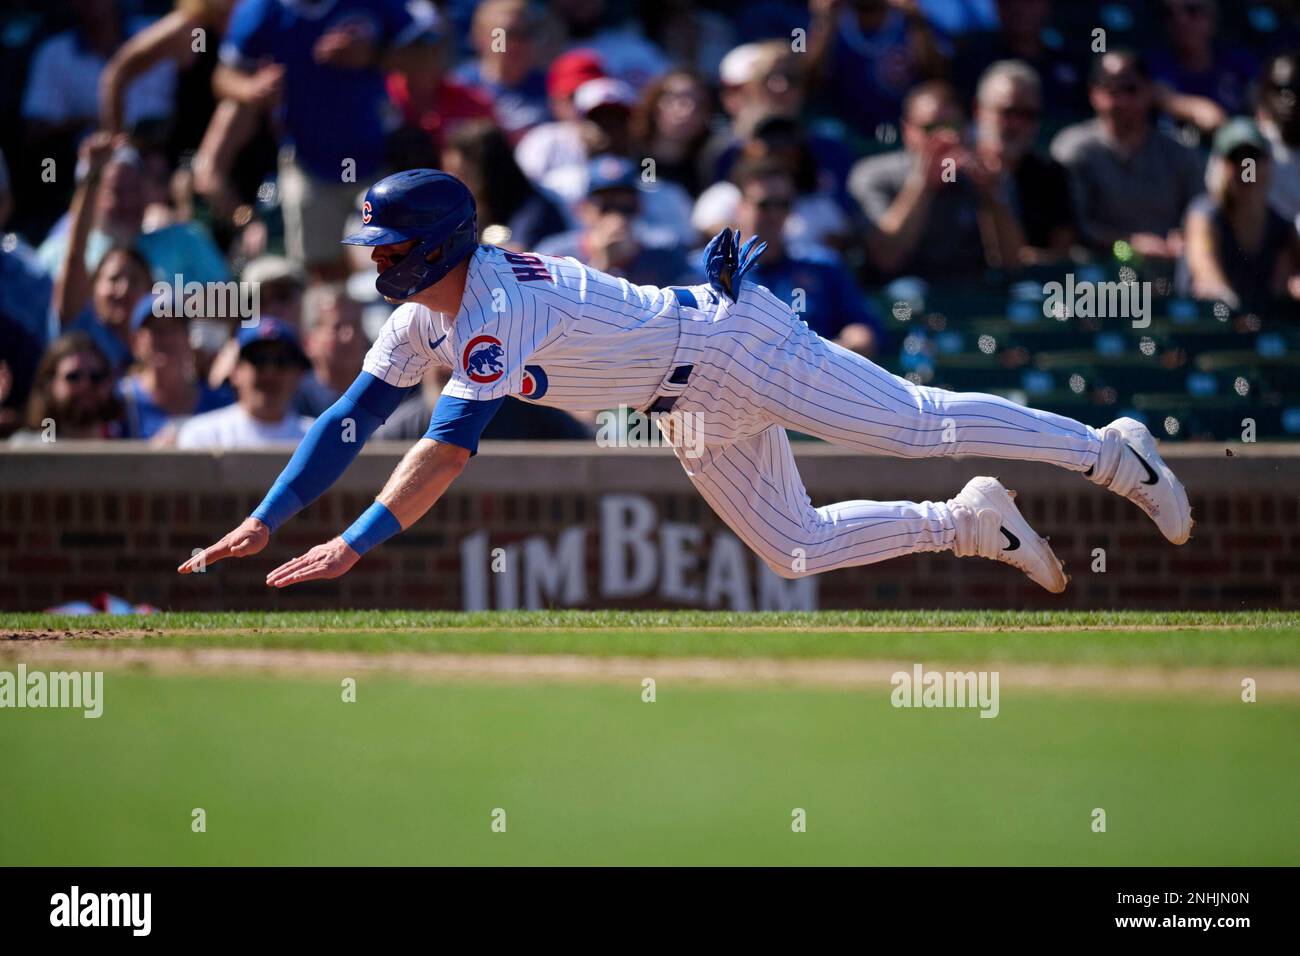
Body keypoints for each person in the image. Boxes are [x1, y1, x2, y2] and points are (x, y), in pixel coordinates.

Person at [181, 169, 1193, 595]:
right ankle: (968, 522)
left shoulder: (492, 310)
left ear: (436, 242)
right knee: (793, 549)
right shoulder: (423, 313)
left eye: (387, 243)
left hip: (730, 342)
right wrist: (274, 513)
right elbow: (358, 415)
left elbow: (445, 445)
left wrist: (354, 541)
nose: (371, 259)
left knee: (916, 423)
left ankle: (1110, 450)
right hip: (682, 397)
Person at [212, 0, 439, 278]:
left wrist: (373, 55)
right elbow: (223, 76)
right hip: (307, 162)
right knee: (318, 273)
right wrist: (251, 88)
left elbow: (429, 57)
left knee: (393, 259)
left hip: (378, 161)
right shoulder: (262, 10)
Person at [697, 159, 881, 355]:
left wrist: (837, 349)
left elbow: (864, 330)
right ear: (739, 207)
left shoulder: (822, 266)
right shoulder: (706, 271)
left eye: (783, 204)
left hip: (812, 376)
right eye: (765, 204)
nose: (775, 214)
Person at [850, 81, 1024, 279]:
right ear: (907, 131)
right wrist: (922, 184)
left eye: (952, 126)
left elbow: (1012, 263)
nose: (944, 138)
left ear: (967, 129)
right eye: (930, 128)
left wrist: (992, 197)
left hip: (968, 295)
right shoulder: (873, 174)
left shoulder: (985, 175)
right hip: (898, 298)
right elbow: (886, 259)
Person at [1050, 51, 1205, 261]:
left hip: (1168, 267)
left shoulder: (1179, 151)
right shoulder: (1073, 149)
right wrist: (1128, 246)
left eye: (1130, 89)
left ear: (1149, 91)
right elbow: (1075, 229)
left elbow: (1200, 211)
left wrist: (1186, 236)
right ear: (1093, 94)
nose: (1122, 100)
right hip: (1099, 271)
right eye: (1111, 90)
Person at [1182, 118, 1300, 312]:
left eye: (1252, 157)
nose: (1245, 168)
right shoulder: (1204, 216)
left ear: (1268, 164)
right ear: (1218, 165)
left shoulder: (1281, 227)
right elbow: (1208, 276)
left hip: (1264, 334)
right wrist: (1235, 310)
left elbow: (1285, 283)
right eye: (1235, 158)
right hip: (1208, 331)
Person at [971, 60, 1077, 263]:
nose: (1017, 125)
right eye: (1007, 112)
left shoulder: (1049, 174)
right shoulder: (954, 170)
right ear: (978, 109)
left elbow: (1063, 252)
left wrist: (1030, 259)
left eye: (1028, 115)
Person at [535, 156, 695, 287]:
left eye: (625, 206)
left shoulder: (666, 252)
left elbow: (689, 313)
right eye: (606, 206)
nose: (616, 215)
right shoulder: (554, 253)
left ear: (639, 208)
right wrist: (602, 263)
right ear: (584, 210)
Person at [176, 318, 313, 449]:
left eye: (282, 361)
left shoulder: (317, 437)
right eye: (258, 360)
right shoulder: (203, 435)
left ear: (298, 373)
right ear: (235, 371)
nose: (270, 373)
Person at [440, 121, 568, 250]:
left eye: (460, 174)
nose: (455, 181)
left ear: (484, 170)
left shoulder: (533, 209)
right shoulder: (467, 213)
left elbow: (520, 254)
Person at [118, 296, 231, 441]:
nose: (166, 339)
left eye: (173, 329)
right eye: (156, 330)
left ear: (188, 338)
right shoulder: (120, 402)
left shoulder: (220, 403)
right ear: (135, 343)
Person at [452, 0, 550, 142]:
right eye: (505, 34)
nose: (517, 42)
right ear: (480, 38)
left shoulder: (549, 86)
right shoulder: (461, 87)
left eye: (527, 33)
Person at [9, 333, 122, 444]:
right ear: (49, 384)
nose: (85, 385)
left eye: (96, 377)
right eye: (73, 377)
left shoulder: (126, 441)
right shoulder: (27, 448)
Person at [294, 283, 370, 417]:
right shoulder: (291, 402)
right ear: (308, 342)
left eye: (356, 325)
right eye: (337, 327)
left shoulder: (388, 393)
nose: (349, 336)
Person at [1256, 52, 1300, 224]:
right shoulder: (1249, 148)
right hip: (1269, 242)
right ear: (1265, 92)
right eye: (1280, 89)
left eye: (1298, 89)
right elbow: (1244, 188)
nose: (1289, 98)